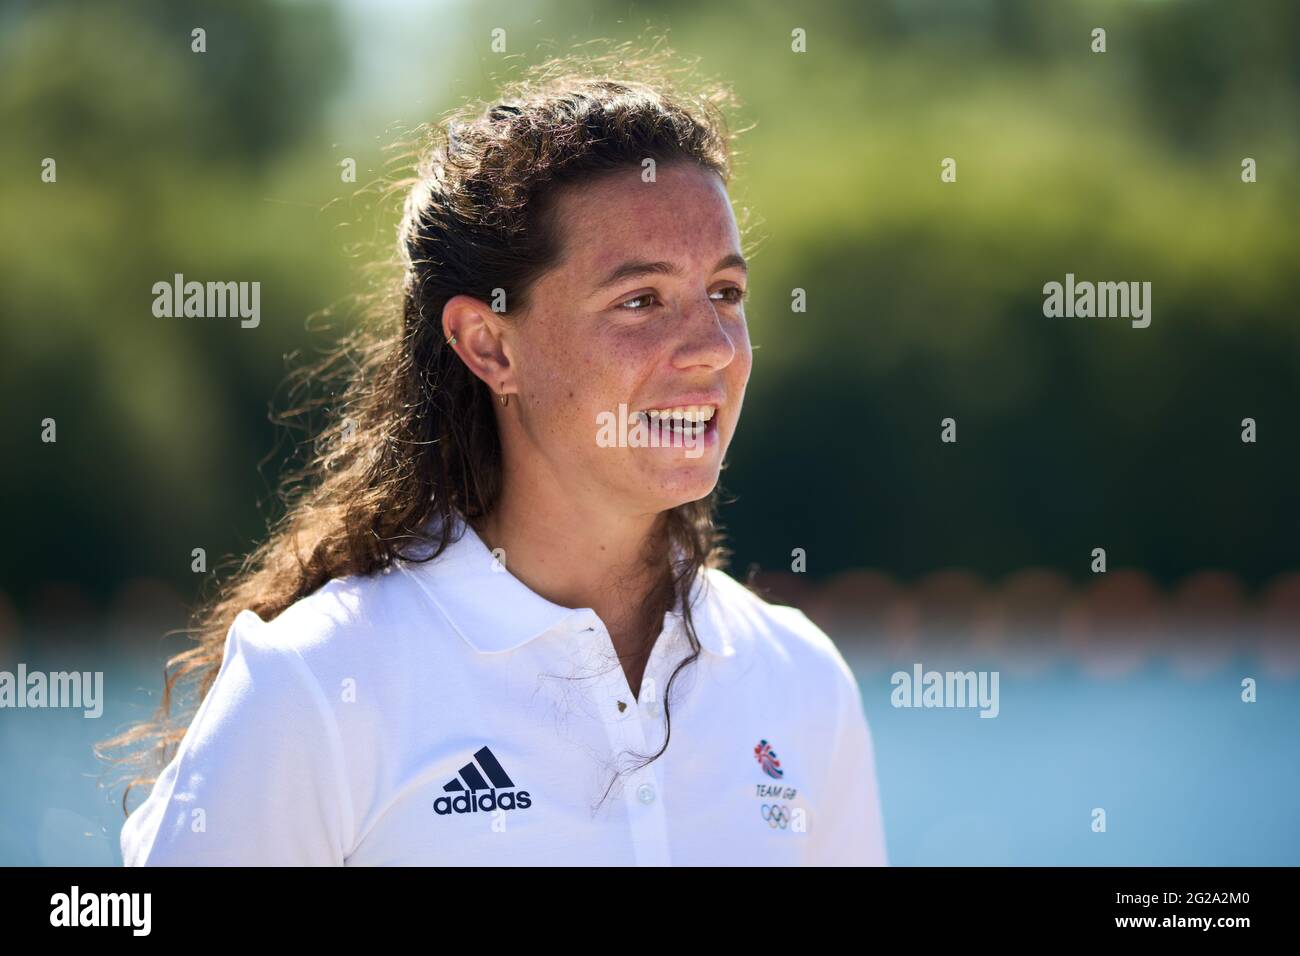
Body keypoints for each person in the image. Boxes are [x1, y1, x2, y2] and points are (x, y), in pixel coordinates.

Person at [108, 50, 887, 866]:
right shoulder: (315, 683)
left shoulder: (801, 681)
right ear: (489, 346)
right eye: (640, 300)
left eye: (725, 293)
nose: (711, 350)